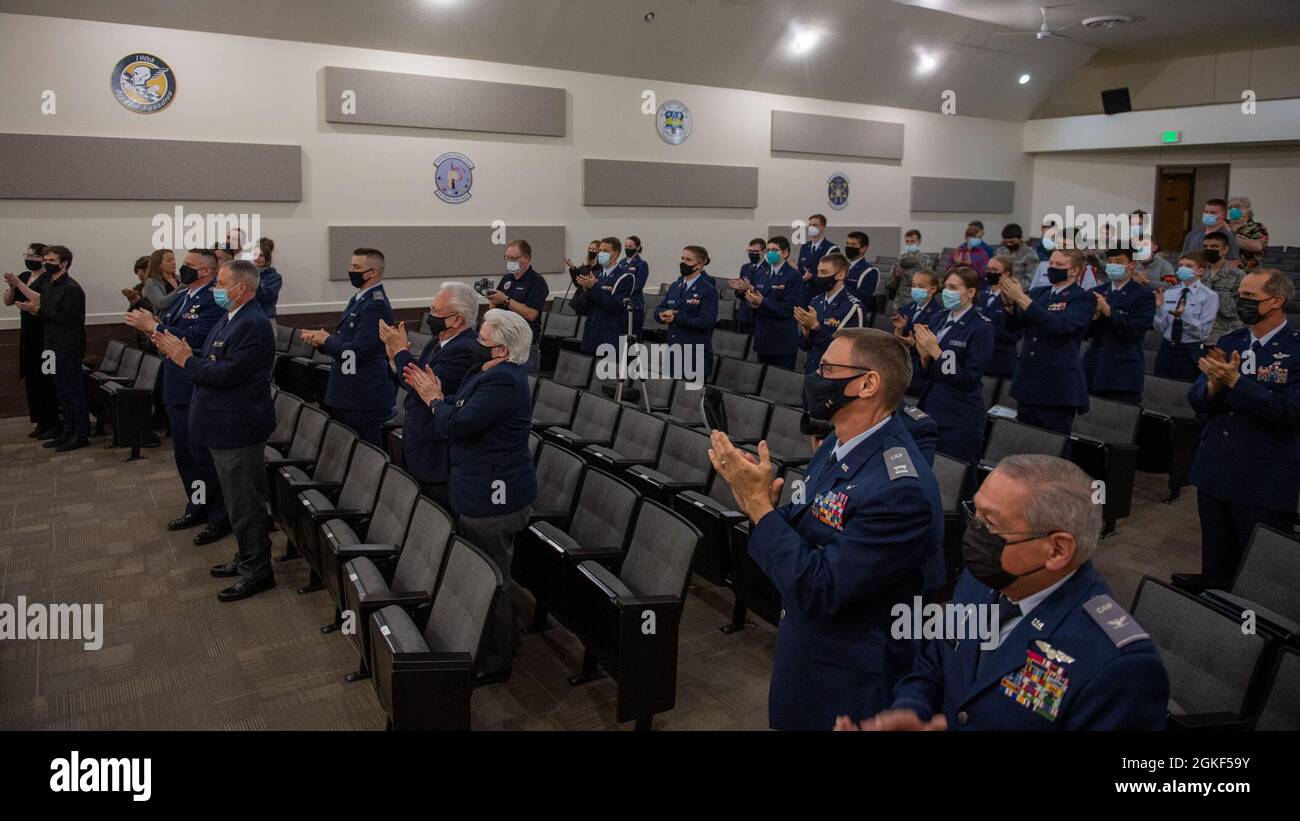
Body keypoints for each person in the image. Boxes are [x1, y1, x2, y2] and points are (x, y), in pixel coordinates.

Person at [709, 328, 943, 731]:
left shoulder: (899, 490)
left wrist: (761, 507)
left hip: (847, 688)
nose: (815, 377)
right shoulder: (840, 444)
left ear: (868, 383)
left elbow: (822, 589)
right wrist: (755, 500)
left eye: (828, 369)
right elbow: (810, 532)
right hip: (807, 654)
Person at [841, 455, 1169, 731]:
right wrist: (912, 709)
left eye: (992, 525)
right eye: (976, 514)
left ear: (1056, 549)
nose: (975, 535)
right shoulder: (981, 579)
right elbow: (936, 661)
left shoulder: (1119, 667)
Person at [403, 309, 538, 686]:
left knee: (492, 576)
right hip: (476, 484)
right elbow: (458, 412)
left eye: (481, 340)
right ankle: (501, 640)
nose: (474, 344)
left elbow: (455, 425)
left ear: (500, 350)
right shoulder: (485, 373)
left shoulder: (505, 382)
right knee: (487, 570)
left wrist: (433, 400)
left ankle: (497, 659)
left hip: (495, 496)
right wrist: (441, 397)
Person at [153, 260, 277, 601]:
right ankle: (246, 558)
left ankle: (258, 571)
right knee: (237, 501)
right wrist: (190, 356)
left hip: (239, 427)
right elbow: (211, 359)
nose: (216, 289)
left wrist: (185, 359)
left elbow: (225, 374)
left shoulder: (252, 324)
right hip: (222, 424)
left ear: (242, 289)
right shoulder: (231, 316)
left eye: (221, 283)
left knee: (245, 504)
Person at [1188, 270, 1300, 578]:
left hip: (1263, 475)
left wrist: (1237, 382)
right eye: (1240, 294)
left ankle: (1247, 624)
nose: (1241, 302)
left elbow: (1289, 412)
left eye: (1250, 297)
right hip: (1216, 465)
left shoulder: (1296, 349)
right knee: (1215, 555)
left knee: (1257, 568)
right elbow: (1197, 399)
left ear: (1276, 301)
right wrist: (1212, 386)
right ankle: (1212, 599)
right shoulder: (1231, 339)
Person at [125, 249, 229, 544]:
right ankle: (197, 505)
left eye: (187, 265)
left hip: (194, 386)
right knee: (185, 455)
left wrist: (154, 327)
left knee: (203, 456)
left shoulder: (212, 299)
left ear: (206, 271)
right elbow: (169, 334)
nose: (180, 269)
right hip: (175, 384)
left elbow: (194, 339)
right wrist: (152, 329)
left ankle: (219, 516)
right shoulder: (185, 295)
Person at [379, 282, 480, 509]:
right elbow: (413, 382)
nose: (430, 315)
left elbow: (421, 385)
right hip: (419, 440)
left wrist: (400, 351)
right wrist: (394, 357)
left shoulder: (464, 349)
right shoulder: (439, 341)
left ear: (457, 319)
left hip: (436, 451)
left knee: (435, 513)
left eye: (436, 311)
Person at [299, 247, 396, 446]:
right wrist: (322, 343)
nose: (351, 270)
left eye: (356, 267)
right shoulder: (360, 298)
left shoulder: (376, 304)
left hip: (363, 394)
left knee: (364, 453)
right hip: (348, 389)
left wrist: (327, 340)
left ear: (373, 272)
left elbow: (359, 350)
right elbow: (346, 343)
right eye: (351, 265)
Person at [999, 249, 1093, 434]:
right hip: (1028, 380)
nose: (1052, 268)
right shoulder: (1038, 293)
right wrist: (1009, 304)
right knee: (1026, 441)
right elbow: (1014, 326)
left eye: (1059, 265)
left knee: (1052, 444)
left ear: (1074, 271)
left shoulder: (1082, 298)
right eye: (1051, 264)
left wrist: (1021, 298)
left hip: (1057, 386)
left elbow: (1060, 326)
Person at [9, 245, 89, 451]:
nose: (46, 264)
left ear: (64, 263)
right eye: (45, 261)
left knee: (73, 392)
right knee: (59, 391)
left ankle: (80, 434)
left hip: (68, 346)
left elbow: (67, 319)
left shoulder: (71, 288)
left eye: (51, 261)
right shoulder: (49, 285)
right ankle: (67, 431)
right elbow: (42, 304)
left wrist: (38, 310)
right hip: (49, 345)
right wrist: (32, 308)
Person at [915, 267, 994, 465]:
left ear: (970, 292)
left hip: (959, 414)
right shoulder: (939, 318)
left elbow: (967, 378)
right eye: (946, 287)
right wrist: (924, 357)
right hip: (932, 405)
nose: (946, 292)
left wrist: (936, 352)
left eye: (953, 287)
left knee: (954, 473)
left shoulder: (981, 328)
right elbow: (927, 370)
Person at [1082, 248, 1156, 405]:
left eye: (1119, 262)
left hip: (1122, 372)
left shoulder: (1144, 295)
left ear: (1131, 265)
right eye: (1109, 262)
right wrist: (1094, 318)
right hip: (1093, 367)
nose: (1113, 266)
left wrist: (1108, 311)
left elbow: (1135, 330)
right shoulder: (1097, 292)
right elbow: (1084, 333)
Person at [4, 243, 60, 439]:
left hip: (44, 335)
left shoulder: (47, 279)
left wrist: (19, 285)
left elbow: (40, 300)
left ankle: (53, 421)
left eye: (32, 255)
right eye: (26, 254)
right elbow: (8, 301)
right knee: (31, 378)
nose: (28, 258)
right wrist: (13, 287)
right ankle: (40, 421)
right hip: (27, 333)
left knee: (46, 379)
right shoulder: (24, 276)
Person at [1152, 251, 1218, 382]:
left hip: (1189, 350)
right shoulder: (1170, 292)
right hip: (1166, 348)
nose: (1182, 269)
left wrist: (1184, 316)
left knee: (1184, 389)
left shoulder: (1209, 296)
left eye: (1188, 266)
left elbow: (1203, 333)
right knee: (1159, 385)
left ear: (1200, 271)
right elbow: (1161, 328)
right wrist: (1158, 309)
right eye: (1180, 265)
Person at [796, 252, 864, 375]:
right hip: (812, 370)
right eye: (818, 272)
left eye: (824, 272)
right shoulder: (815, 301)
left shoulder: (853, 307)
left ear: (840, 275)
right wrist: (805, 331)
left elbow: (847, 350)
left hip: (834, 374)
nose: (819, 276)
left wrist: (816, 327)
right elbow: (804, 346)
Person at [655, 245, 718, 379]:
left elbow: (707, 322)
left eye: (688, 260)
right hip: (673, 351)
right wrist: (662, 315)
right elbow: (659, 309)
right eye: (682, 258)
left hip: (694, 354)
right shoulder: (675, 286)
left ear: (699, 264)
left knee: (690, 397)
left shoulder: (708, 290)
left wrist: (676, 318)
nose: (683, 263)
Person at [486, 239, 548, 372]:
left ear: (526, 258)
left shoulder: (537, 282)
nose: (509, 262)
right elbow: (495, 309)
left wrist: (506, 300)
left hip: (524, 343)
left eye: (513, 258)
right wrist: (492, 301)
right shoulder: (507, 278)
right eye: (507, 258)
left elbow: (531, 314)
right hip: (503, 341)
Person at [746, 236, 804, 369]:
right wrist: (754, 304)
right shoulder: (762, 273)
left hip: (782, 341)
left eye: (774, 250)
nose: (770, 253)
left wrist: (762, 302)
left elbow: (790, 309)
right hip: (763, 338)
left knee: (779, 382)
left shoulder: (794, 276)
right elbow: (757, 303)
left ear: (785, 253)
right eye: (768, 250)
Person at [572, 237, 635, 355]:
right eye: (600, 251)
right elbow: (581, 307)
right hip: (591, 333)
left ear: (616, 254)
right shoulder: (595, 275)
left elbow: (612, 306)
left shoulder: (625, 277)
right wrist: (585, 290)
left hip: (609, 336)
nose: (601, 254)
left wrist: (593, 288)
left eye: (605, 251)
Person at [891, 269, 943, 396]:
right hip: (902, 364)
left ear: (933, 289)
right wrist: (899, 329)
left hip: (920, 369)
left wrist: (914, 344)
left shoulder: (939, 314)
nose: (915, 289)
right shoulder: (906, 308)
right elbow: (896, 340)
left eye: (921, 286)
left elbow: (936, 348)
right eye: (913, 285)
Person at [979, 255, 1019, 380]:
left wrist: (985, 329)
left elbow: (1014, 334)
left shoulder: (1016, 298)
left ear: (1006, 273)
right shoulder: (980, 295)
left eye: (994, 270)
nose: (990, 273)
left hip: (1000, 359)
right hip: (979, 356)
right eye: (988, 269)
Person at [1201, 231, 1245, 344]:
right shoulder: (1198, 273)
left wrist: (1211, 299)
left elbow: (1237, 310)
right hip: (1198, 334)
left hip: (1225, 335)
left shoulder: (1238, 276)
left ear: (1225, 250)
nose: (1209, 249)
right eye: (1206, 246)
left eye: (1214, 246)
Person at [729, 237, 766, 334]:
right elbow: (739, 295)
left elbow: (768, 292)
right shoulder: (745, 267)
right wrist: (739, 289)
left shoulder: (769, 269)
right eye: (749, 251)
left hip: (760, 314)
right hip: (744, 314)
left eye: (755, 251)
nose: (751, 254)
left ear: (763, 252)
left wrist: (750, 287)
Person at [1226, 196, 1268, 272]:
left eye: (1237, 207)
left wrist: (1230, 236)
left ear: (1248, 210)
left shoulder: (1257, 227)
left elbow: (1258, 247)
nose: (1233, 210)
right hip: (1223, 272)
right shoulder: (1223, 224)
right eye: (1230, 207)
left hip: (1247, 272)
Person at [797, 214, 839, 283]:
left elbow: (831, 274)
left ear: (823, 227)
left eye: (814, 225)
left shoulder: (832, 249)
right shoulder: (804, 247)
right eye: (809, 225)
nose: (811, 228)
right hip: (805, 291)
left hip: (820, 289)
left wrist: (812, 277)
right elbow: (800, 268)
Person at [994, 224, 1038, 288]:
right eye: (1005, 242)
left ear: (1021, 238)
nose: (1009, 244)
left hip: (1019, 290)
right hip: (999, 288)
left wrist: (1012, 287)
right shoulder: (1000, 251)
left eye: (1012, 242)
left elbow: (1031, 280)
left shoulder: (1030, 255)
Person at [621, 235, 650, 335]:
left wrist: (622, 291)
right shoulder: (622, 262)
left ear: (637, 247)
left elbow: (638, 285)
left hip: (634, 304)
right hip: (621, 303)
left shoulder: (641, 264)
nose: (627, 249)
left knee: (634, 335)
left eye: (630, 246)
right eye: (626, 246)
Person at [890, 229, 925, 310]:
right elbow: (891, 284)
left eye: (912, 241)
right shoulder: (900, 259)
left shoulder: (924, 259)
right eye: (907, 241)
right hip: (899, 302)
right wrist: (896, 276)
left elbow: (927, 281)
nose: (909, 244)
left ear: (919, 242)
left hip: (916, 301)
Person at [843, 231, 878, 310]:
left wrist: (838, 285)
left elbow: (863, 297)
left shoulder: (870, 271)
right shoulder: (842, 267)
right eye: (847, 244)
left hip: (854, 312)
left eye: (853, 244)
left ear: (863, 249)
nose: (849, 247)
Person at [253, 237, 282, 320]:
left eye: (261, 256)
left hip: (266, 318)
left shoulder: (275, 277)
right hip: (248, 318)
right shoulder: (246, 273)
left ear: (267, 258)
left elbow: (266, 298)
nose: (257, 258)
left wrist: (254, 278)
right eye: (255, 255)